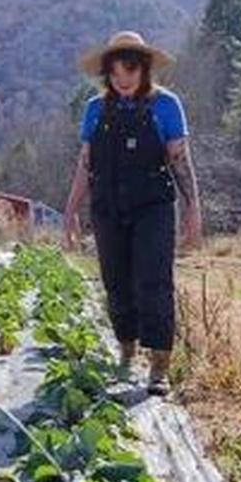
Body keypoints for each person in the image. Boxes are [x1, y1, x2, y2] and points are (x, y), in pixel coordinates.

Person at [62, 30, 202, 396]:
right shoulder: (95, 110)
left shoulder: (166, 106)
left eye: (130, 71)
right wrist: (70, 210)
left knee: (154, 283)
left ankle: (159, 366)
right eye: (115, 73)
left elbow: (179, 160)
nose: (123, 80)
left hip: (153, 206)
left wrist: (193, 209)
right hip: (108, 207)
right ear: (106, 74)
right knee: (116, 282)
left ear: (144, 70)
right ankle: (126, 350)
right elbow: (85, 164)